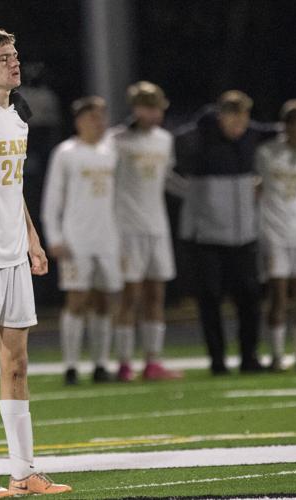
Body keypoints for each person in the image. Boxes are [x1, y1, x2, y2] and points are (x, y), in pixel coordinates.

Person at [0, 27, 71, 497]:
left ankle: (24, 473)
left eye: (15, 55)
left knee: (17, 364)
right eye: (4, 57)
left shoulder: (18, 118)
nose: (14, 62)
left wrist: (32, 237)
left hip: (12, 256)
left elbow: (12, 186)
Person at [174, 90, 275, 375]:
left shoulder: (251, 135)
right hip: (207, 236)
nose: (239, 126)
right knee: (211, 299)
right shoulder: (197, 137)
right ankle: (217, 360)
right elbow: (172, 166)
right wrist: (193, 200)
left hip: (243, 236)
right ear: (221, 116)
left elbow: (282, 132)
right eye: (234, 119)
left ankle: (249, 356)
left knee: (250, 298)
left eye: (243, 119)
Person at [41, 96, 123, 385]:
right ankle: (71, 366)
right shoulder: (66, 153)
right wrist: (54, 236)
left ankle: (101, 363)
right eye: (92, 117)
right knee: (76, 300)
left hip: (107, 238)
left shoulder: (111, 152)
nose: (98, 123)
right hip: (77, 240)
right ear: (79, 121)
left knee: (103, 301)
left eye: (101, 117)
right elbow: (53, 198)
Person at [109, 81, 184, 382]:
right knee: (129, 297)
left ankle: (153, 361)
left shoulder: (165, 140)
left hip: (157, 228)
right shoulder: (117, 140)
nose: (156, 114)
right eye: (150, 107)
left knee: (156, 295)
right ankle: (125, 363)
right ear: (137, 108)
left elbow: (167, 179)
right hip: (127, 228)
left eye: (158, 107)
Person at [256, 99, 296, 371]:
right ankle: (277, 355)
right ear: (288, 127)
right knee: (279, 295)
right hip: (274, 232)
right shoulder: (267, 153)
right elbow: (256, 187)